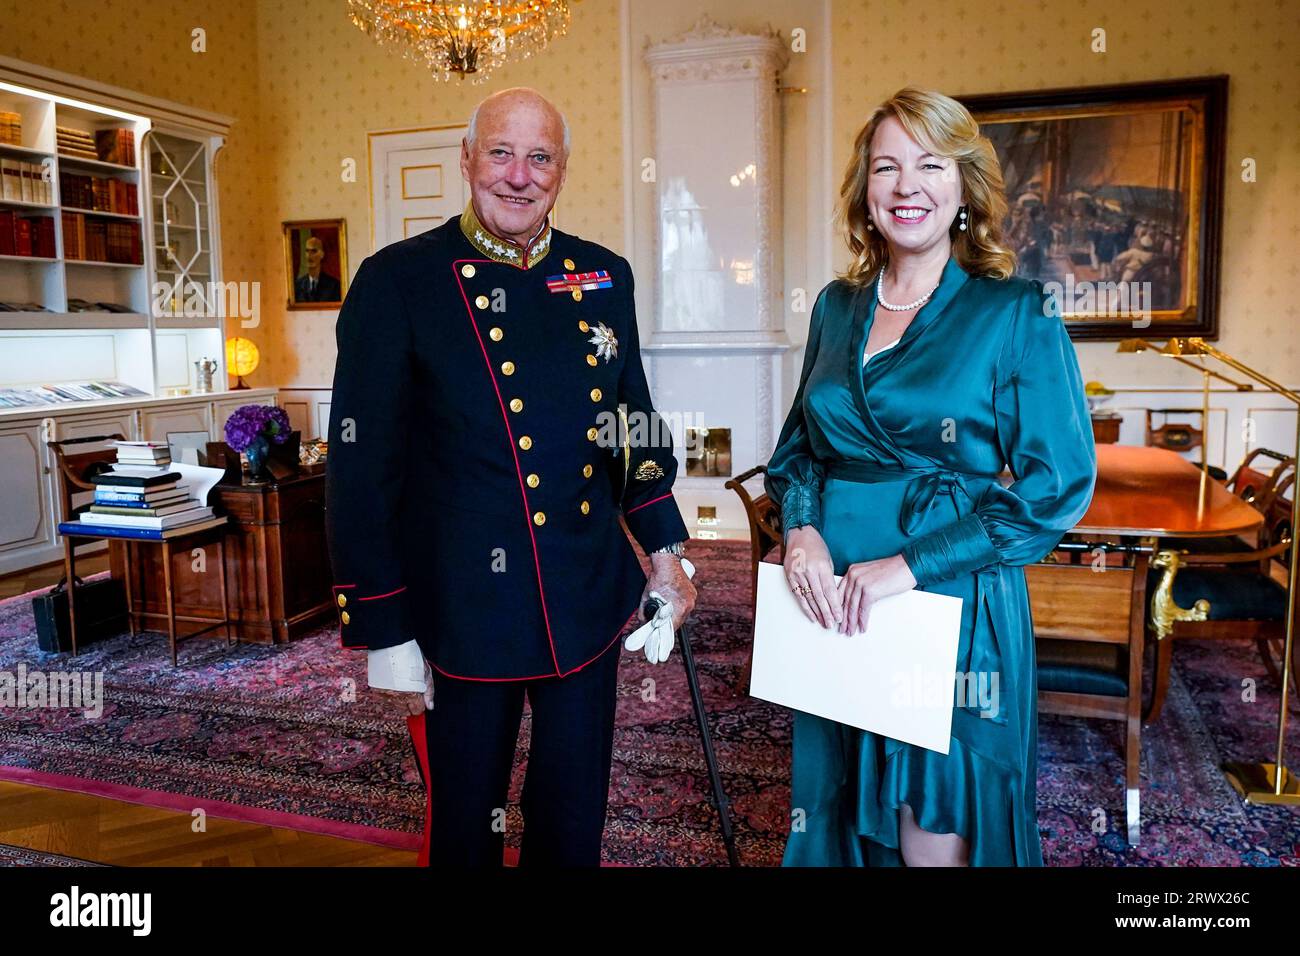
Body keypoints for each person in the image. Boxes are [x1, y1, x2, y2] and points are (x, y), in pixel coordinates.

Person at [325, 87, 696, 866]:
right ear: (466, 159)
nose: (518, 176)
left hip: (585, 600)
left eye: (540, 157)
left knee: (570, 821)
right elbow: (363, 468)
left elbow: (631, 420)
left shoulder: (603, 274)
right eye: (500, 152)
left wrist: (666, 554)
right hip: (463, 608)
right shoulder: (397, 281)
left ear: (562, 171)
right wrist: (384, 625)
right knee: (466, 824)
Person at [766, 87, 1096, 867]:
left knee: (929, 828)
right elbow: (799, 452)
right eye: (886, 166)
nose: (906, 185)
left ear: (964, 188)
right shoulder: (835, 307)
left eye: (929, 164)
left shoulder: (1016, 311)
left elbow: (1058, 485)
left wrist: (910, 567)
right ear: (865, 191)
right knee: (839, 807)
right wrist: (803, 526)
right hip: (833, 596)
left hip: (949, 601)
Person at [294, 235, 342, 302]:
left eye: (314, 251)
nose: (309, 255)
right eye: (307, 251)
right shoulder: (298, 285)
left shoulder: (334, 286)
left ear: (322, 254)